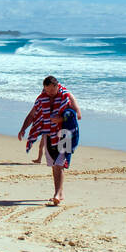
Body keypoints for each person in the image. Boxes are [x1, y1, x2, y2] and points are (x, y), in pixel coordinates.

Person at [18, 75, 81, 205]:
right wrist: (23, 129)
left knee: (60, 164)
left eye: (52, 91)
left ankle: (57, 194)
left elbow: (78, 115)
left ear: (57, 86)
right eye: (47, 91)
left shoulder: (67, 96)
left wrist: (61, 119)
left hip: (65, 134)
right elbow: (32, 115)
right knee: (54, 165)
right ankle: (59, 193)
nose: (50, 94)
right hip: (49, 134)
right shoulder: (42, 98)